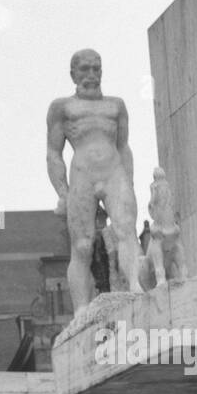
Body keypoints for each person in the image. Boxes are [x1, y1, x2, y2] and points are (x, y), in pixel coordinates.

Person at [46, 49, 144, 313]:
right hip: (82, 176)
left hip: (114, 173)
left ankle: (134, 285)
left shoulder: (116, 105)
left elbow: (124, 147)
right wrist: (62, 192)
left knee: (126, 230)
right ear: (73, 74)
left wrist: (130, 183)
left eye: (96, 68)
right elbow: (54, 153)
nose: (91, 75)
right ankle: (81, 308)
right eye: (85, 69)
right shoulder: (62, 107)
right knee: (82, 245)